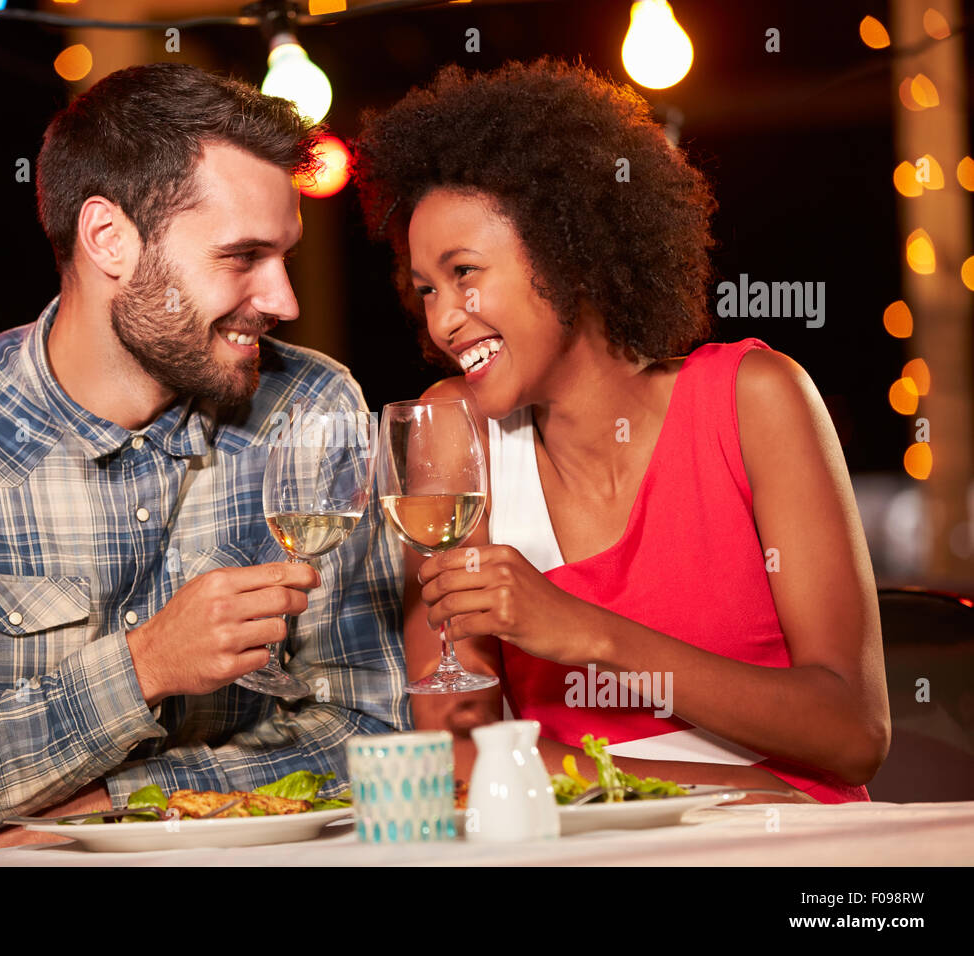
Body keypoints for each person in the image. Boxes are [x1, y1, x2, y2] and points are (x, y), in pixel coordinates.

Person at [0, 62, 409, 865]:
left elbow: (370, 728)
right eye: (243, 257)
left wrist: (120, 807)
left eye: (286, 256)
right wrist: (144, 667)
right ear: (108, 240)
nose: (284, 299)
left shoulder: (311, 408)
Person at [351, 58, 889, 803]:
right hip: (605, 840)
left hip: (795, 845)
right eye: (427, 289)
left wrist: (590, 634)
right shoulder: (454, 430)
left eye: (465, 272)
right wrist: (720, 791)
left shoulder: (753, 400)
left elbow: (853, 732)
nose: (443, 320)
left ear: (570, 253)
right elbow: (456, 757)